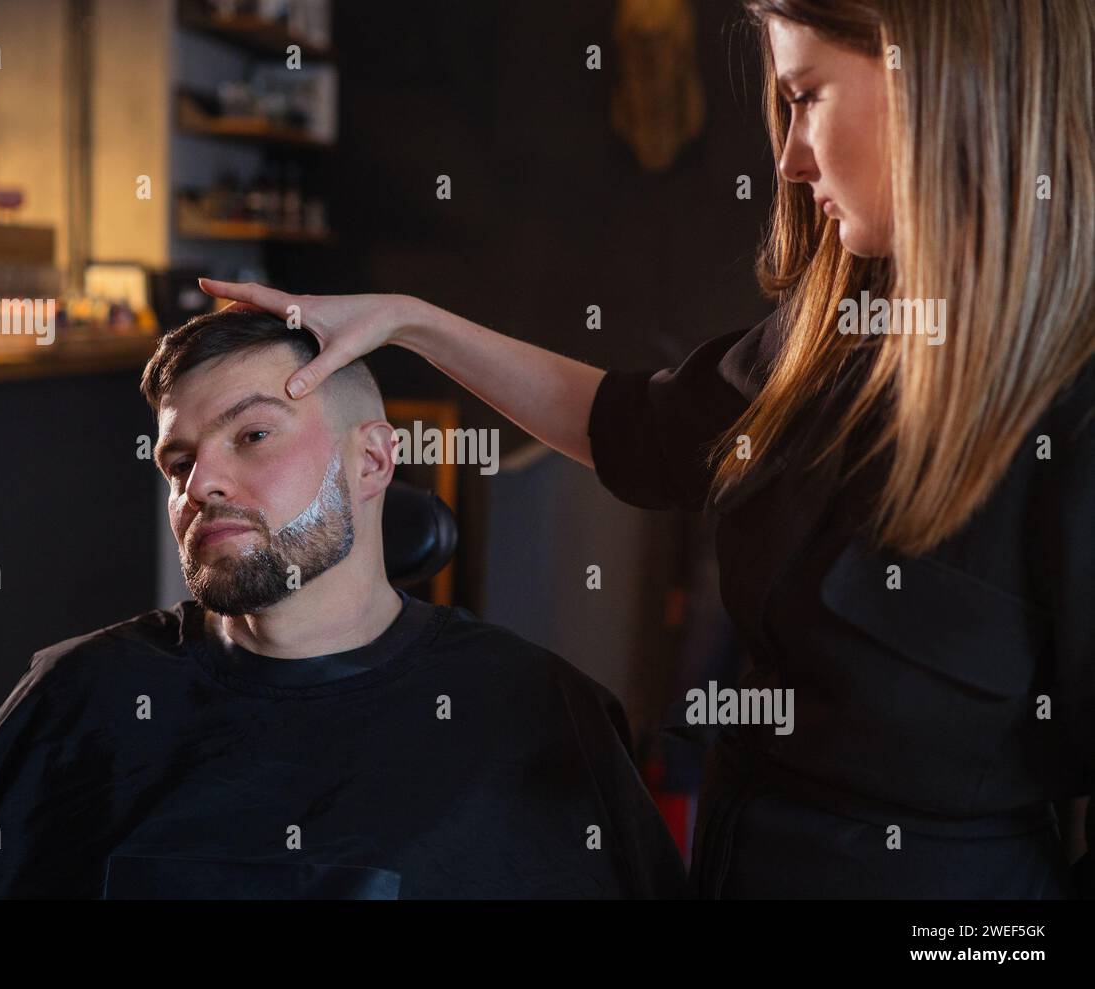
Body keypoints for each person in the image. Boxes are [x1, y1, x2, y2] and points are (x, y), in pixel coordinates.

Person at [198, 0, 1095, 898]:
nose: (789, 156)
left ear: (935, 78)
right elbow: (629, 429)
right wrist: (412, 322)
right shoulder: (832, 337)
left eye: (806, 95)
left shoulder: (1076, 412)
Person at [0, 308, 686, 900]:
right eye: (178, 462)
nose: (201, 485)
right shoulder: (80, 697)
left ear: (372, 458)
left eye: (253, 436)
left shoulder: (539, 713)